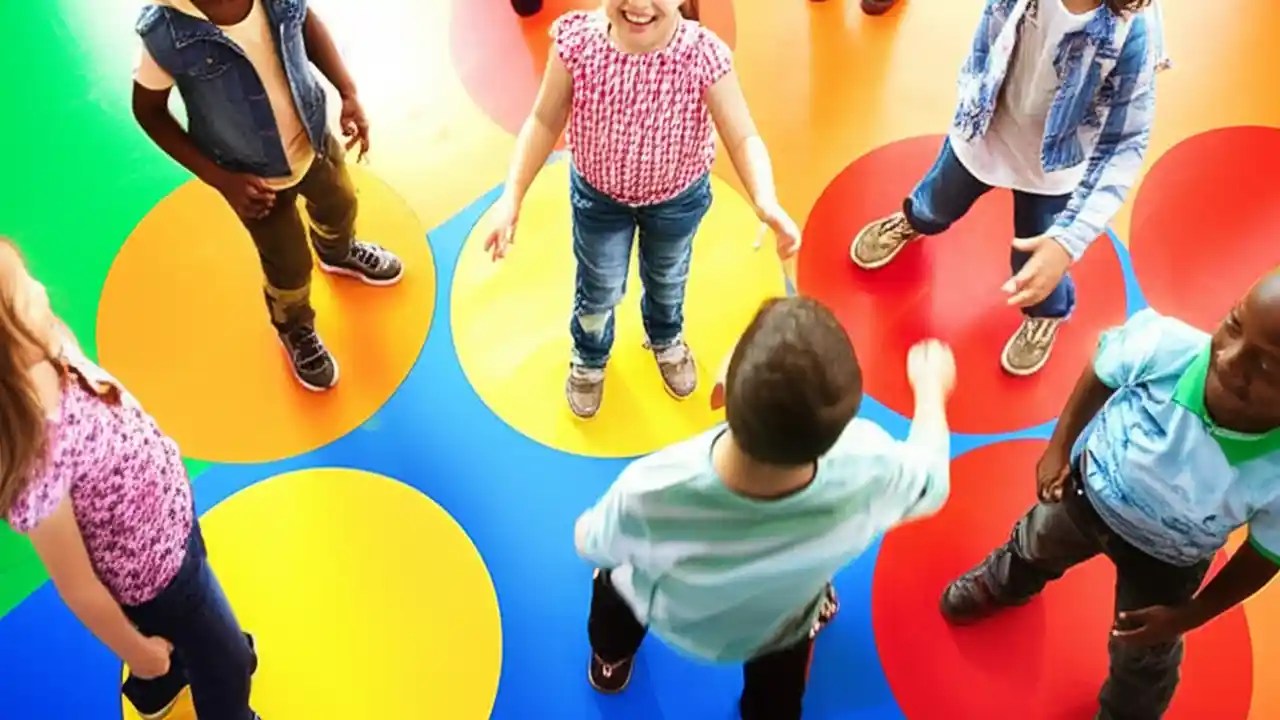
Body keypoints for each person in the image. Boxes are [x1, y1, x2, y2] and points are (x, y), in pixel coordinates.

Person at [574, 296, 956, 718]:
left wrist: (588, 531)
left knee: (616, 581)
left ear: (722, 390)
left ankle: (610, 657)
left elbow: (595, 542)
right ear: (837, 430)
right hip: (778, 622)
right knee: (783, 673)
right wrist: (931, 393)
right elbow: (932, 483)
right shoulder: (866, 466)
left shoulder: (656, 485)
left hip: (679, 617)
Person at [940, 270, 1280, 719]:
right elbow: (1102, 368)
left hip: (1169, 560)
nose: (1231, 359)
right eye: (1234, 325)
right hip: (1083, 494)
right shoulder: (1165, 346)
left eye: (1268, 366)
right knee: (1035, 542)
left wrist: (1189, 615)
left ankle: (1127, 711)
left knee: (1143, 652)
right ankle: (1008, 579)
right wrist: (1058, 448)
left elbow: (1265, 555)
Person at [483, 0, 803, 419]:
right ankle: (590, 353)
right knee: (598, 286)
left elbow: (742, 136)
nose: (637, 4)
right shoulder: (577, 43)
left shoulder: (701, 55)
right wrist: (513, 195)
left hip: (676, 202)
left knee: (668, 278)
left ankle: (666, 335)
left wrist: (765, 198)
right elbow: (543, 120)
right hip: (600, 201)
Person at [0, 239, 259, 720]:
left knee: (193, 621)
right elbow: (78, 588)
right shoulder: (37, 470)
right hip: (158, 580)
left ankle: (159, 685)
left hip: (171, 525)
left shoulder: (47, 346)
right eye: (22, 295)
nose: (39, 288)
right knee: (228, 663)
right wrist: (138, 654)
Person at [850, 0, 1167, 377]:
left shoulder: (1134, 33)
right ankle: (915, 221)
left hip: (1053, 173)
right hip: (984, 131)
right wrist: (973, 89)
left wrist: (1069, 240)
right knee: (935, 203)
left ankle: (1046, 313)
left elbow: (1125, 143)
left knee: (1033, 264)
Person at [131, 0, 404, 392]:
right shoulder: (166, 34)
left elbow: (306, 23)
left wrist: (347, 91)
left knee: (340, 202)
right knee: (287, 263)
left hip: (313, 141)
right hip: (251, 179)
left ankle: (336, 250)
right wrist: (221, 179)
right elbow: (149, 111)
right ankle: (294, 326)